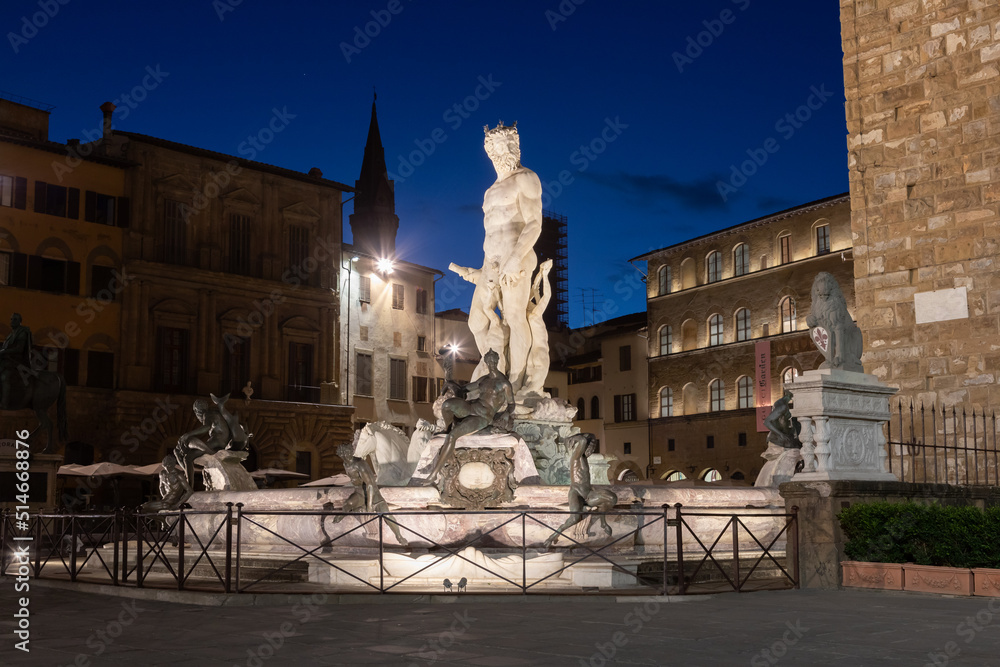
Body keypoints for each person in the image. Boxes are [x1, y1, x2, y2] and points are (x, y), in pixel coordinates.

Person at [450, 122, 543, 391]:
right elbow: (492, 234)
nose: (502, 151)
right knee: (476, 320)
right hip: (490, 262)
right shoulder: (489, 191)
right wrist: (479, 271)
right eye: (495, 147)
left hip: (518, 256)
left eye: (507, 144)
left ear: (516, 147)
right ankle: (494, 370)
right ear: (489, 152)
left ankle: (514, 383)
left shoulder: (526, 178)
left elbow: (534, 223)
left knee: (514, 317)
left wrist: (515, 257)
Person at [419, 349, 515, 485]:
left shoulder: (504, 384)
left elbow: (512, 404)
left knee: (453, 436)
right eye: (489, 361)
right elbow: (463, 389)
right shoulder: (484, 380)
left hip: (483, 416)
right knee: (446, 405)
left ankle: (434, 474)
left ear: (497, 361)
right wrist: (451, 382)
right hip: (471, 407)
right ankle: (447, 428)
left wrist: (506, 414)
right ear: (486, 362)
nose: (491, 364)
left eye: (493, 361)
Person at [543, 433, 618, 548]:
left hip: (588, 493)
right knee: (574, 518)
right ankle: (552, 536)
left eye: (592, 448)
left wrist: (592, 437)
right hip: (576, 492)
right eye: (589, 447)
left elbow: (586, 440)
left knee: (612, 498)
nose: (590, 450)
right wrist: (573, 439)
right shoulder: (576, 457)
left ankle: (603, 522)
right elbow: (582, 440)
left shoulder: (584, 459)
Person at [334, 442, 408, 548]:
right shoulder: (345, 464)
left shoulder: (359, 464)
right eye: (344, 454)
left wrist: (369, 505)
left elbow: (369, 485)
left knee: (386, 515)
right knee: (347, 504)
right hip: (359, 493)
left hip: (373, 494)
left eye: (348, 453)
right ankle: (348, 513)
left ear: (351, 452)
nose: (346, 456)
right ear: (341, 455)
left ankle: (399, 536)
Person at [0, 313, 33, 409]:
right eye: (11, 319)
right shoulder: (11, 335)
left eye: (14, 319)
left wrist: (3, 352)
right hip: (6, 360)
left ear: (20, 321)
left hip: (16, 362)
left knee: (4, 377)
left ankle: (4, 403)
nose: (12, 321)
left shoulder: (22, 332)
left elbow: (19, 349)